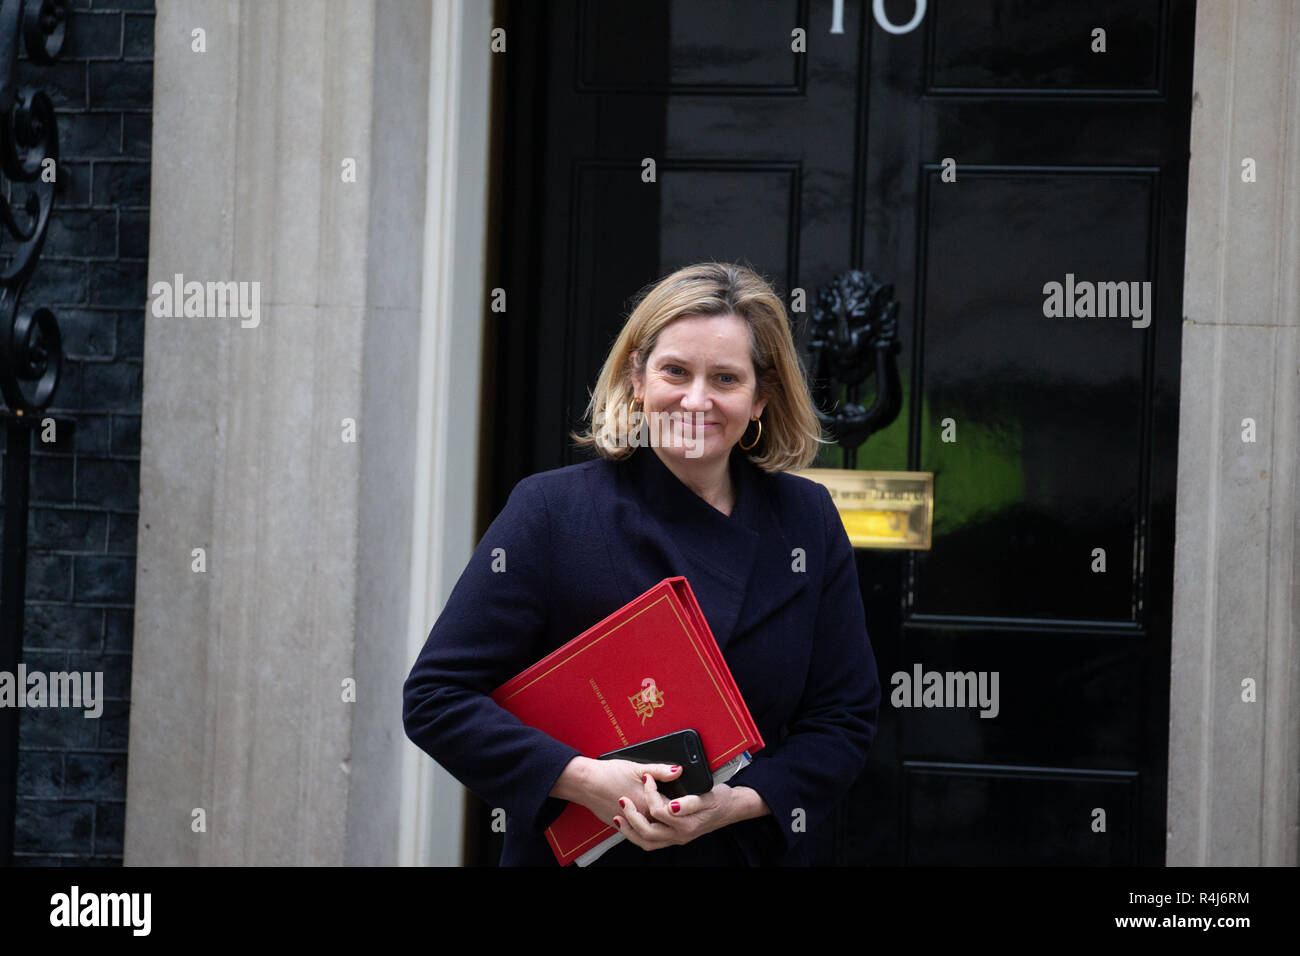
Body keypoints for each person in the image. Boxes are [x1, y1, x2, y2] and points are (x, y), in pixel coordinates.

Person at [402, 261, 881, 865]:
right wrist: (581, 779)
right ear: (637, 378)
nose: (696, 399)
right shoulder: (552, 511)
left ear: (760, 398)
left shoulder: (806, 518)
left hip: (739, 853)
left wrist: (737, 801)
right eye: (675, 371)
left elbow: (844, 718)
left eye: (726, 379)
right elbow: (436, 698)